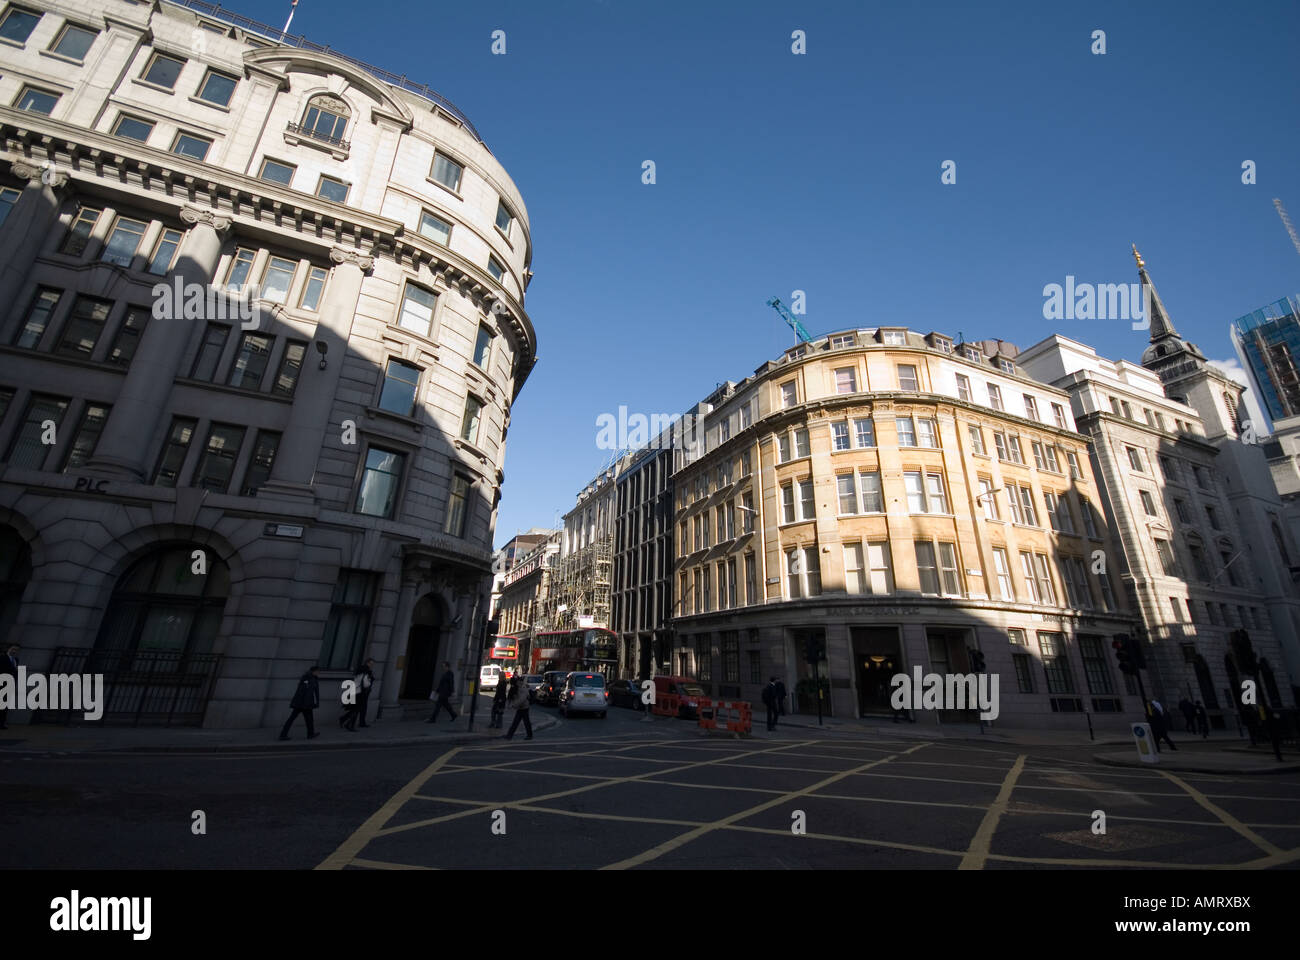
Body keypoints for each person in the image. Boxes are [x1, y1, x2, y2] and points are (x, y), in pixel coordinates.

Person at [279, 666, 321, 740]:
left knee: (306, 719)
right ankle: (310, 734)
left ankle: (283, 734)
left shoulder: (308, 678)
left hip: (301, 703)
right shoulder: (310, 679)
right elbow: (308, 692)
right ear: (314, 671)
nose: (318, 673)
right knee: (307, 719)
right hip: (305, 704)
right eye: (317, 671)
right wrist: (311, 703)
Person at [341, 658, 375, 731]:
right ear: (367, 663)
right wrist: (369, 680)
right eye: (371, 663)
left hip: (354, 691)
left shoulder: (358, 672)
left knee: (355, 709)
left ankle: (345, 721)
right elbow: (366, 684)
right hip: (360, 693)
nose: (372, 665)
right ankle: (349, 725)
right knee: (356, 709)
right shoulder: (365, 673)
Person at [504, 673, 533, 740]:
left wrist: (514, 705)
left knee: (522, 722)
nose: (516, 683)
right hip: (521, 707)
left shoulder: (523, 688)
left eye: (517, 681)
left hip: (524, 707)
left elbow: (521, 699)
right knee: (519, 722)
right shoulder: (519, 687)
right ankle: (510, 735)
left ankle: (510, 735)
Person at [0, 645, 17, 730]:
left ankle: (2, 723)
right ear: (8, 649)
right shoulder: (2, 658)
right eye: (13, 649)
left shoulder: (15, 660)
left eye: (16, 650)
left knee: (5, 705)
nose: (14, 651)